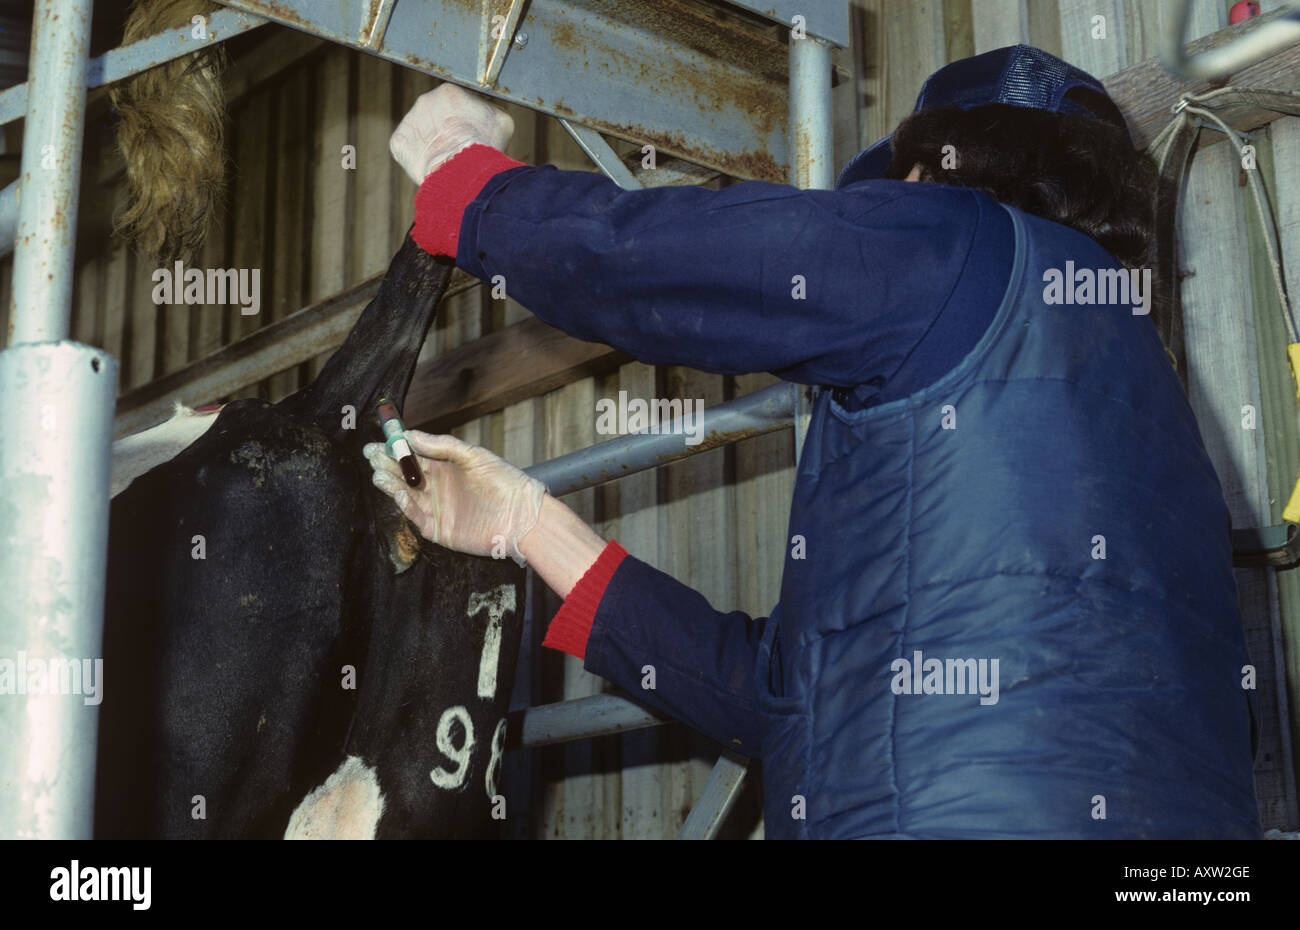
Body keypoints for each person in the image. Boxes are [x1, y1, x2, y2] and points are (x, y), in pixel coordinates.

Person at [366, 45, 1261, 839]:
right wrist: (526, 525)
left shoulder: (962, 249)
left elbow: (665, 262)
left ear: (939, 171)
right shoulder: (1165, 429)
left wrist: (473, 191)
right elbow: (785, 699)